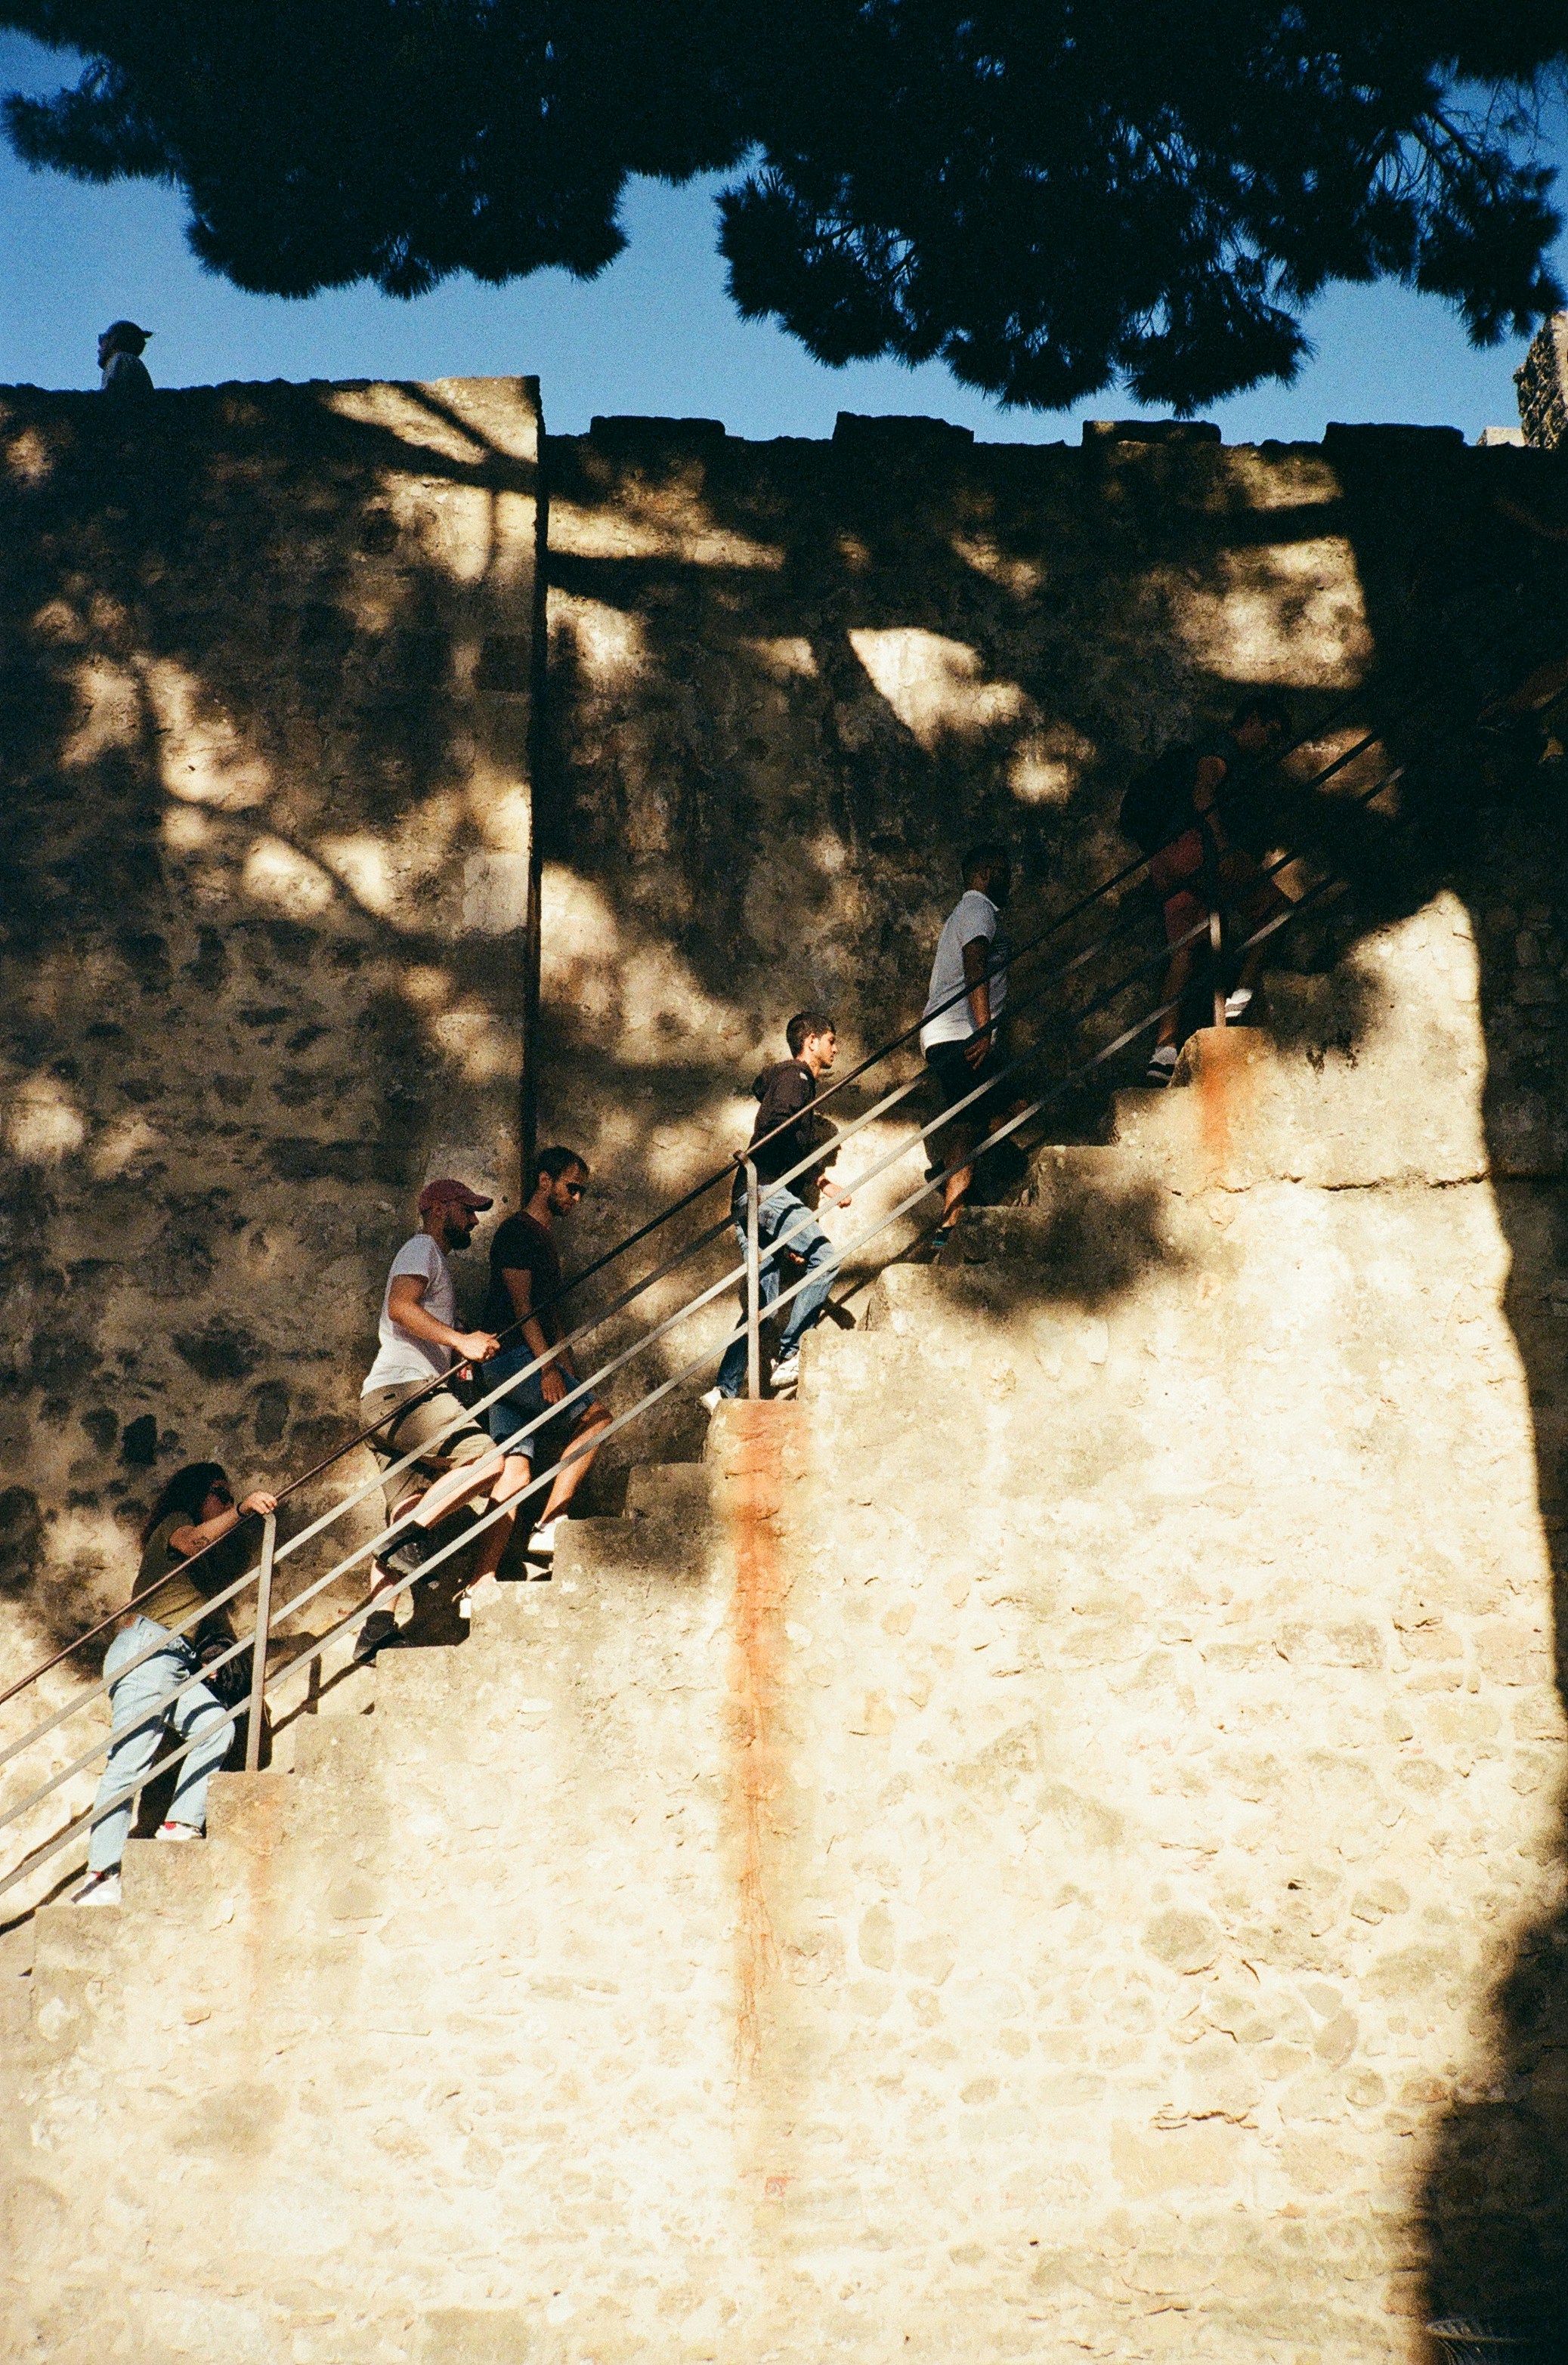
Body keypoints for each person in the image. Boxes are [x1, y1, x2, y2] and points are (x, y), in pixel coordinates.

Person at [72, 1463, 278, 1906]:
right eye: (220, 1493)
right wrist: (242, 1509)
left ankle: (180, 1824)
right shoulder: (176, 1525)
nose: (224, 1501)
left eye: (229, 1496)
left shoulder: (199, 1573)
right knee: (128, 1763)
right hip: (149, 1649)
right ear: (196, 1494)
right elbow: (195, 1540)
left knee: (216, 1729)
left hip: (176, 1657)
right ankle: (99, 1875)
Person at [359, 1179, 532, 1613]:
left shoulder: (431, 1259)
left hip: (385, 1400)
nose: (473, 1219)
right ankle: (400, 1544)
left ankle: (378, 1619)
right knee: (488, 1461)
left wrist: (459, 1352)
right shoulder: (422, 1249)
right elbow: (401, 1307)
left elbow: (412, 1320)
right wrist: (460, 1340)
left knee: (411, 1505)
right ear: (437, 1208)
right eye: (466, 1209)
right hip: (406, 1391)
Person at [1143, 693, 1292, 1086]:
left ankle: (1163, 1051)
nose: (1270, 746)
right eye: (1271, 734)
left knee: (1186, 948)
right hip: (1198, 849)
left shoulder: (1203, 749)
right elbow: (1204, 792)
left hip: (1166, 858)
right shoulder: (1222, 748)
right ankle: (1240, 999)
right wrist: (1222, 845)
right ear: (1253, 719)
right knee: (1278, 909)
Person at [704, 1012, 852, 1406]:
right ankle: (789, 1354)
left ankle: (724, 1390)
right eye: (831, 1040)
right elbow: (776, 1125)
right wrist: (812, 1178)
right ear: (812, 1042)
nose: (836, 1049)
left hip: (750, 1195)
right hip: (765, 1191)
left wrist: (817, 1182)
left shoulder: (784, 1080)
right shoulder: (797, 1078)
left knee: (763, 1302)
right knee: (824, 1258)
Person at [482, 1147, 612, 1560]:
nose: (576, 1199)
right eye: (571, 1188)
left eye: (582, 1192)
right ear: (544, 1181)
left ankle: (477, 1583)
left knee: (516, 1471)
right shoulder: (517, 1233)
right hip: (510, 1360)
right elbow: (523, 1309)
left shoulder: (544, 1240)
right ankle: (551, 1522)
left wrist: (567, 1370)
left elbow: (551, 1316)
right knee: (597, 1419)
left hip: (522, 1361)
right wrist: (548, 1370)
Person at [920, 845, 1016, 1250]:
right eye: (1003, 872)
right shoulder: (978, 910)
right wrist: (984, 1028)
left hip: (951, 1033)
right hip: (962, 1033)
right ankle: (950, 1225)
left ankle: (947, 1169)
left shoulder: (966, 912)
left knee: (1010, 1109)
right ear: (984, 874)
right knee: (966, 1122)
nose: (1008, 881)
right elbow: (974, 963)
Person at [97, 320, 153, 396]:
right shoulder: (128, 361)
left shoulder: (121, 360)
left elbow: (113, 398)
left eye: (102, 340)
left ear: (113, 339)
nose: (99, 350)